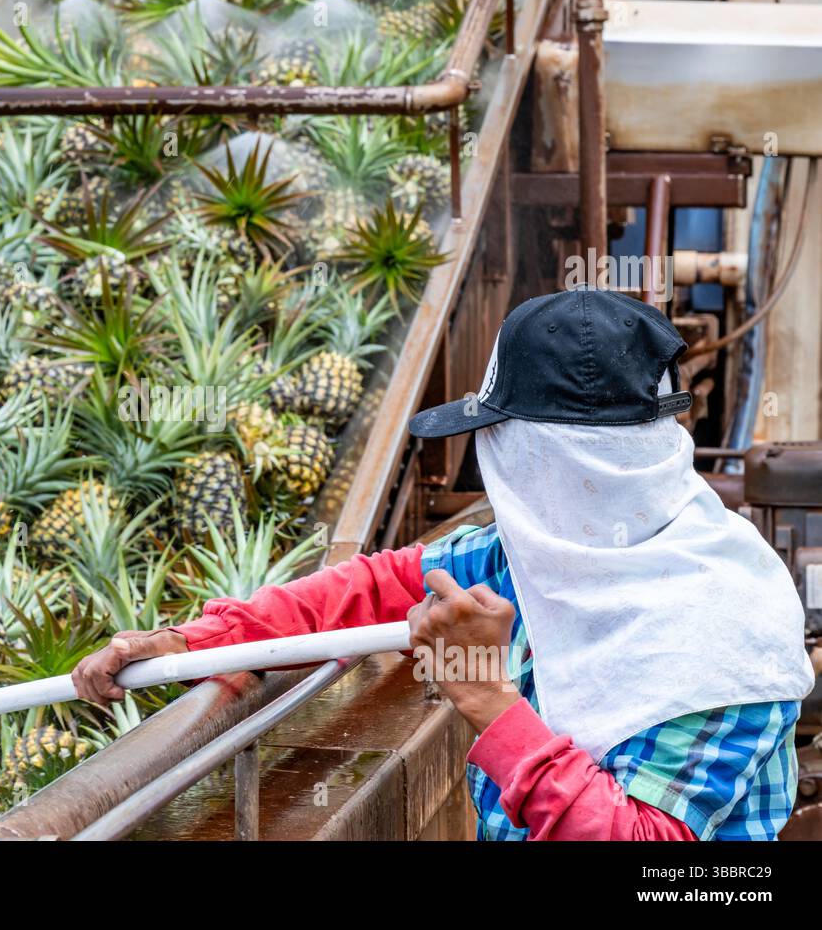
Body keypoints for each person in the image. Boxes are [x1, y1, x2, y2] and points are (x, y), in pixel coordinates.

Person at [71, 287, 815, 841]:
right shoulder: (538, 555)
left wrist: (488, 698)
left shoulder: (727, 634)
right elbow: (373, 586)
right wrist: (194, 642)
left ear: (544, 461)